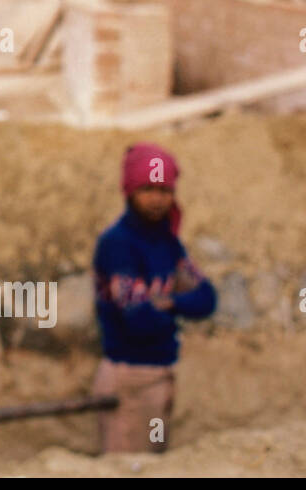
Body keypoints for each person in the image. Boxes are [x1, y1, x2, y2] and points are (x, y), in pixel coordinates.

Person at [91, 143, 216, 454]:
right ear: (130, 190)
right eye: (147, 188)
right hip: (129, 382)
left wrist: (170, 303)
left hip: (160, 380)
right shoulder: (118, 243)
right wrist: (171, 306)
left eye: (164, 189)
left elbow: (207, 299)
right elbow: (139, 320)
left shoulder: (168, 243)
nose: (157, 198)